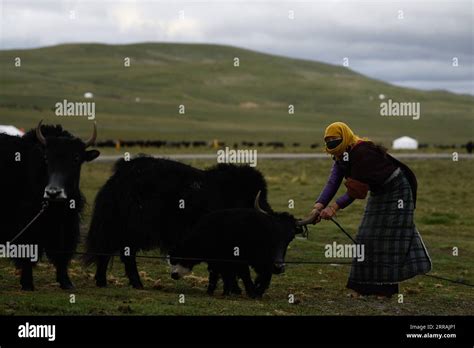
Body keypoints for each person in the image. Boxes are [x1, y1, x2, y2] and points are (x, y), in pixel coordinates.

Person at [307, 122, 431, 297]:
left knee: (388, 240)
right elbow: (333, 181)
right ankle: (363, 287)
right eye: (328, 140)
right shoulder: (341, 155)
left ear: (345, 136)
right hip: (379, 190)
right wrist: (318, 206)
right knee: (366, 236)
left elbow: (356, 191)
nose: (332, 143)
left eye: (335, 139)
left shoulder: (361, 152)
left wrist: (333, 208)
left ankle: (385, 290)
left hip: (398, 190)